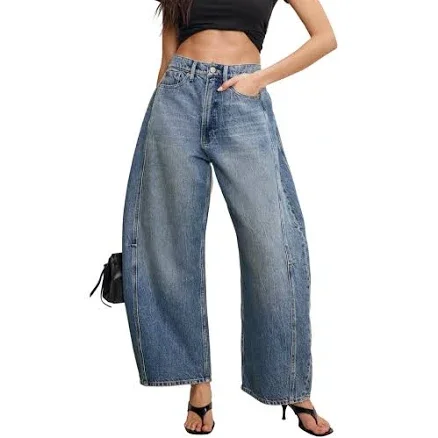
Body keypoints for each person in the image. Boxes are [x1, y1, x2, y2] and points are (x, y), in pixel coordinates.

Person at [122, 0, 337, 435]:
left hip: (243, 96)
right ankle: (197, 384)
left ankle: (290, 383)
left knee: (275, 245)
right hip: (176, 98)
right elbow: (167, 57)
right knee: (169, 243)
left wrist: (259, 79)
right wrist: (158, 116)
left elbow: (325, 38)